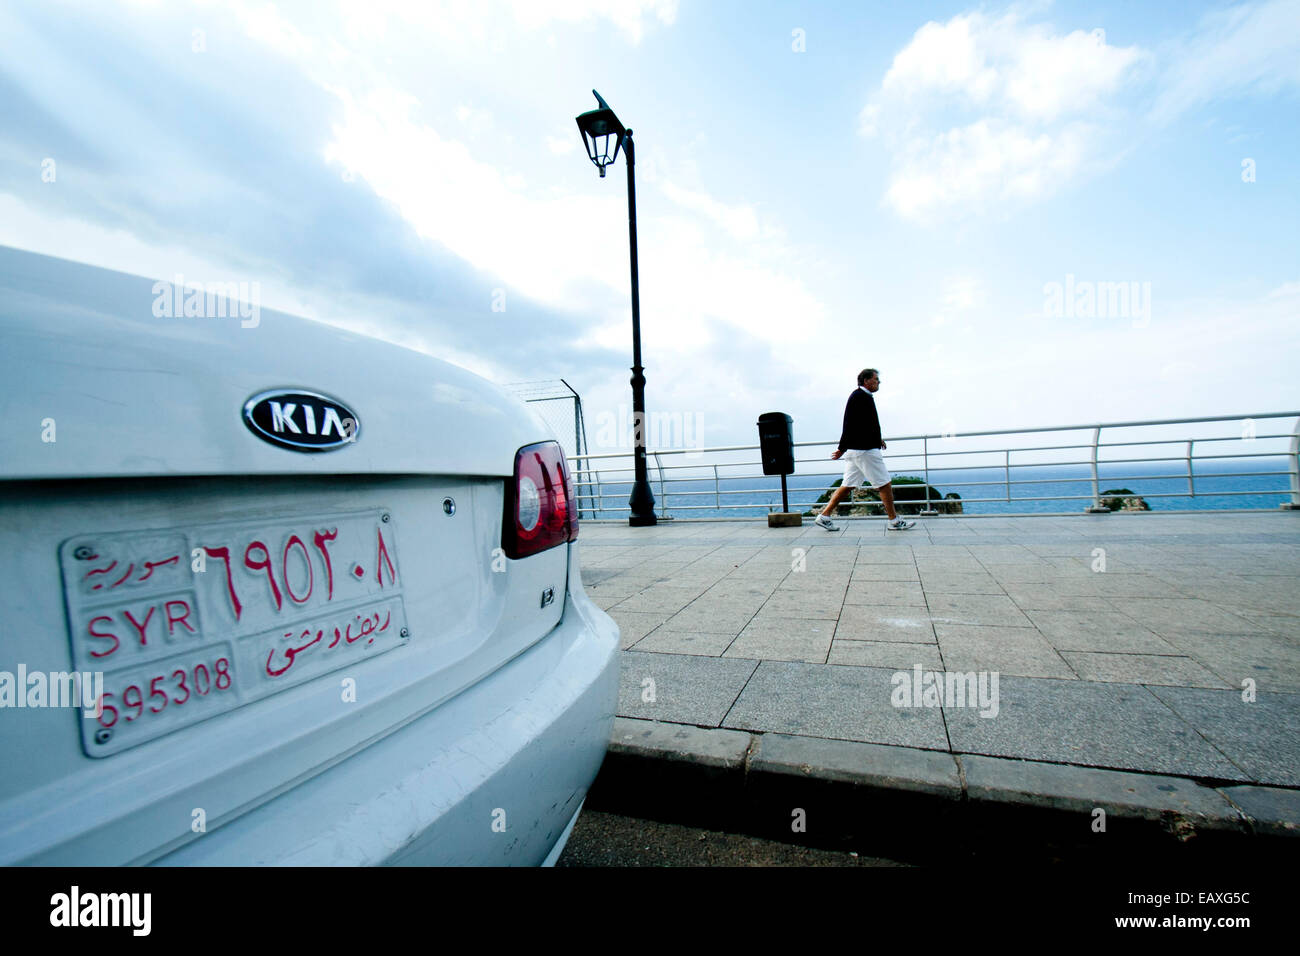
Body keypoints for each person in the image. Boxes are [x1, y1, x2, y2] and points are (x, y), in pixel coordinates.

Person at [815, 368, 916, 531]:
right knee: (884, 484)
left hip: (858, 450)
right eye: (876, 379)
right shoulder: (858, 397)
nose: (879, 382)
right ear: (866, 380)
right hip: (865, 450)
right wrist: (841, 448)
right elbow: (849, 424)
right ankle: (894, 521)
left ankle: (824, 516)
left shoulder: (863, 397)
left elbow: (865, 424)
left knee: (847, 485)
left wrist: (877, 439)